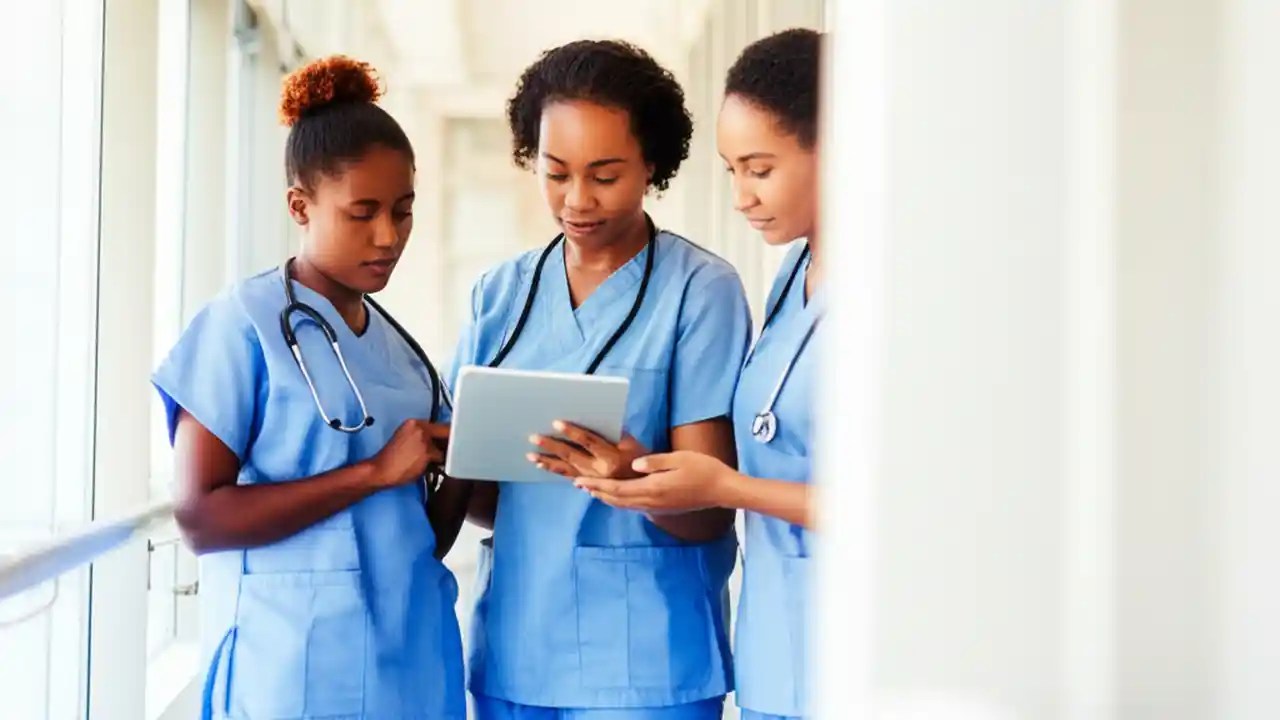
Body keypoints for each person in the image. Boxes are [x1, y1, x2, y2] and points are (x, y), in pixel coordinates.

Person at [152, 56, 468, 720]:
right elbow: (200, 518)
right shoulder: (243, 326)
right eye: (363, 213)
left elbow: (414, 536)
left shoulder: (403, 354)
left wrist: (471, 460)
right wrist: (375, 473)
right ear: (300, 205)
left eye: (403, 212)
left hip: (407, 665)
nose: (388, 236)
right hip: (292, 671)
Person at [451, 39, 752, 720]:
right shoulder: (500, 294)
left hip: (647, 653)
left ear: (652, 164)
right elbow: (481, 491)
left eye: (605, 175)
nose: (577, 200)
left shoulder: (700, 291)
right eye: (555, 172)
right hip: (518, 646)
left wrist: (631, 474)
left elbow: (710, 510)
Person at [574, 29, 825, 720]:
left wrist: (726, 487)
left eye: (760, 168)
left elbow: (907, 508)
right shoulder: (792, 278)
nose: (742, 196)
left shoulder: (898, 293)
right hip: (778, 658)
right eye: (731, 170)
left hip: (859, 649)